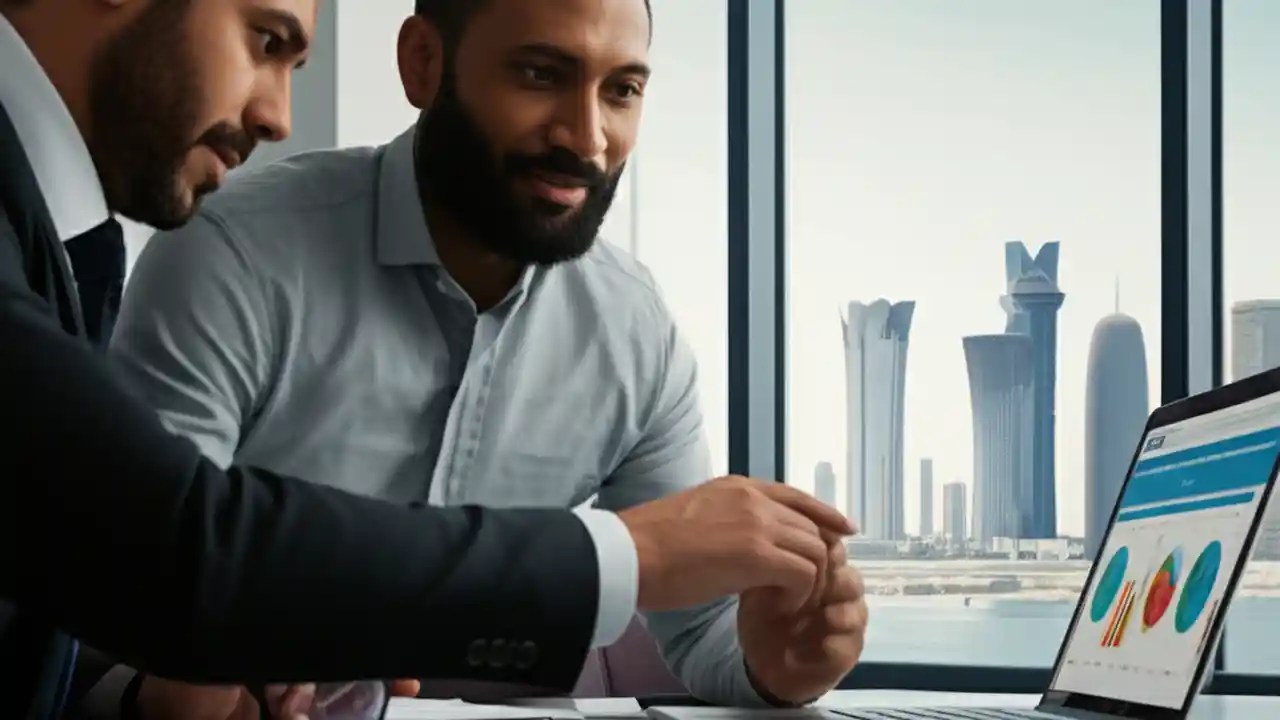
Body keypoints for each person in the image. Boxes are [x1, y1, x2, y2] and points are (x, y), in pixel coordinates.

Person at [0, 1, 856, 718]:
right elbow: (145, 560)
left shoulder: (639, 333)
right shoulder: (227, 253)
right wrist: (621, 552)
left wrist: (768, 663)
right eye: (539, 74)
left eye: (623, 90)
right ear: (422, 63)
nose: (588, 137)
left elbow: (701, 634)